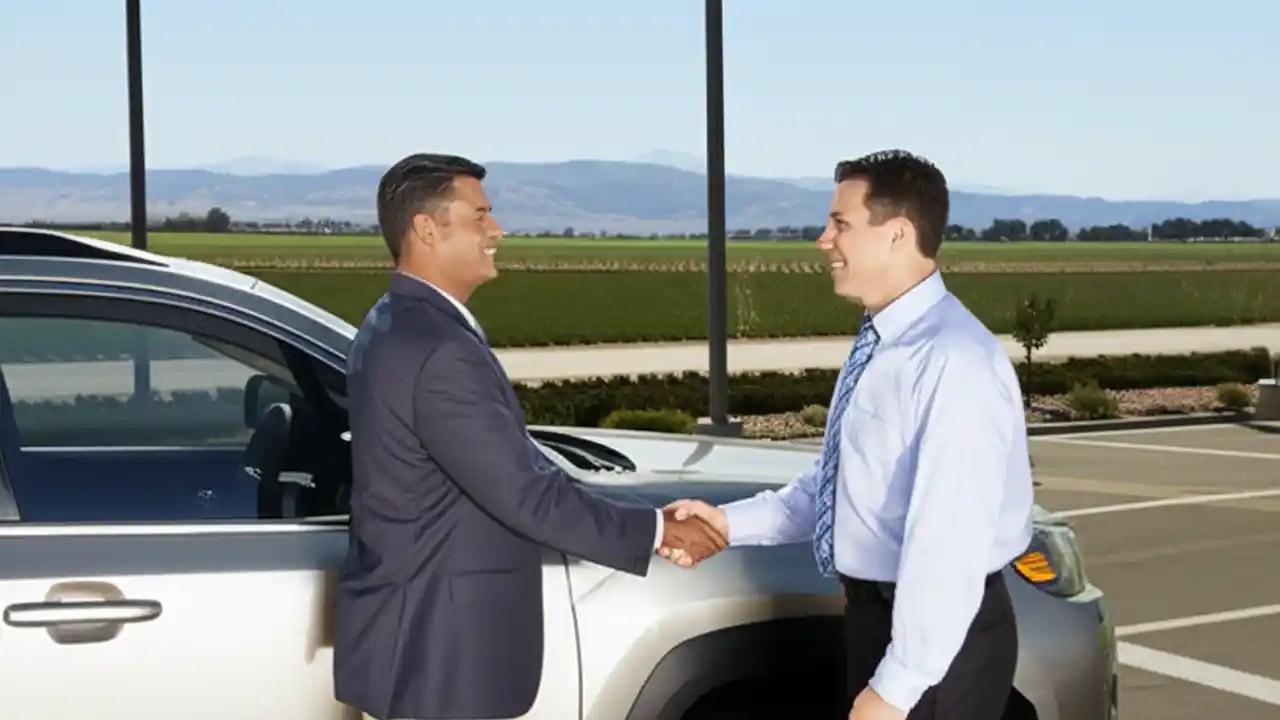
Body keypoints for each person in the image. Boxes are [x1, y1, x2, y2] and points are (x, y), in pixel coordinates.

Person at [333, 153, 727, 720]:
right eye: (480, 217)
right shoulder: (439, 350)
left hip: (417, 645)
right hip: (440, 655)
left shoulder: (395, 322)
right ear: (425, 229)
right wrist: (658, 529)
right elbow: (524, 493)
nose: (498, 231)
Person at [664, 149, 1035, 719]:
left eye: (840, 223)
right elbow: (841, 485)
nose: (823, 239)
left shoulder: (952, 361)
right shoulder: (884, 345)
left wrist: (896, 687)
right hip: (881, 625)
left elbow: (949, 543)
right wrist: (729, 524)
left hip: (937, 651)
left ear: (898, 234)